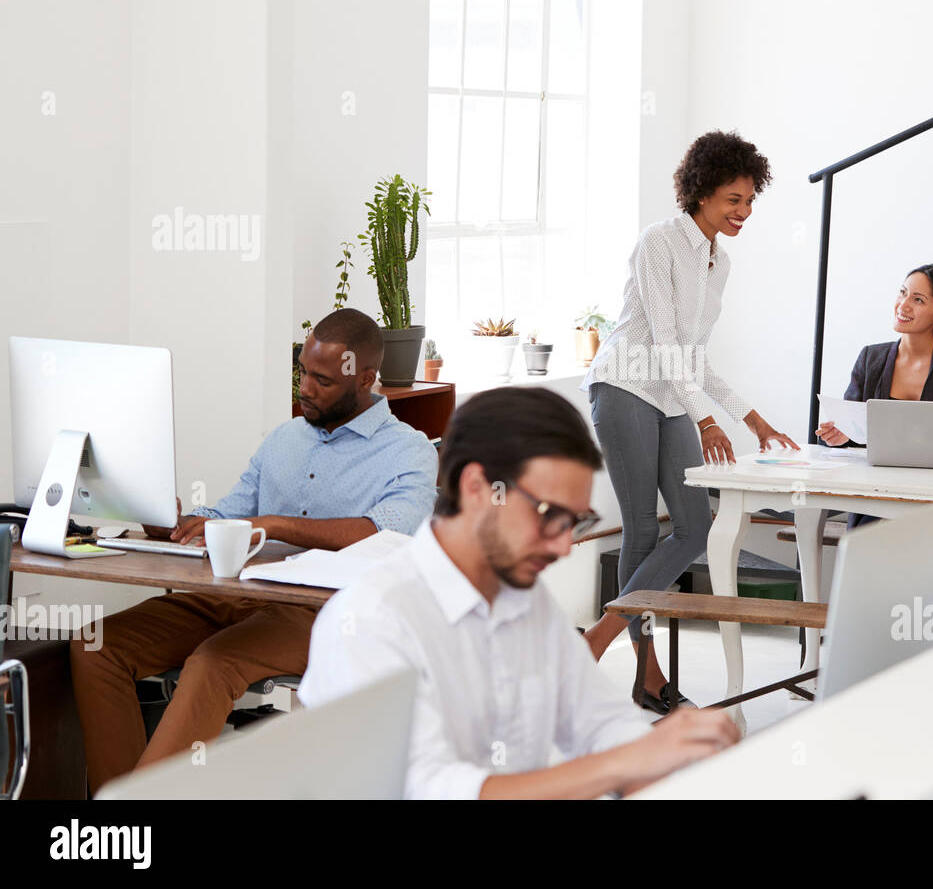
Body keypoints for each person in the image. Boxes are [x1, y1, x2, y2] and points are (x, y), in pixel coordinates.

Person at [298, 387, 740, 798]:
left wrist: (671, 758)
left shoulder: (529, 604)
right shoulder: (372, 620)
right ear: (477, 489)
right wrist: (622, 764)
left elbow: (604, 724)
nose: (564, 545)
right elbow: (434, 788)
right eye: (550, 515)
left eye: (575, 522)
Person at [70, 308, 439, 794]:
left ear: (366, 378)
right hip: (232, 593)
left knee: (213, 662)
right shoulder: (284, 439)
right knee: (97, 645)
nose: (305, 388)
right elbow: (227, 517)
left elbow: (386, 533)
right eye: (302, 371)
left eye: (321, 380)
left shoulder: (408, 451)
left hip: (322, 612)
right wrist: (171, 522)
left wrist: (276, 525)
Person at [578, 130, 798, 712]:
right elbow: (665, 340)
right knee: (643, 531)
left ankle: (597, 636)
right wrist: (707, 420)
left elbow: (694, 354)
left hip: (673, 396)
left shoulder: (717, 262)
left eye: (750, 200)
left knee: (695, 526)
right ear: (700, 192)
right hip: (624, 384)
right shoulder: (658, 242)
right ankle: (649, 677)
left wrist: (751, 418)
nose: (743, 212)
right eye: (733, 199)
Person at [815, 264, 933, 527]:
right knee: (869, 533)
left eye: (918, 300)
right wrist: (842, 436)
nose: (903, 305)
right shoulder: (871, 357)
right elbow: (850, 431)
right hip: (878, 493)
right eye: (903, 292)